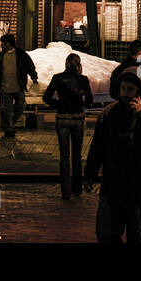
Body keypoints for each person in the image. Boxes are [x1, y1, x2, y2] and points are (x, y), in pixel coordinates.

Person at [84, 73, 141, 243]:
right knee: (107, 234)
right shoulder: (110, 113)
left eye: (130, 89)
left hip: (140, 187)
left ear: (139, 91)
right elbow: (98, 146)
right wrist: (90, 174)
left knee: (138, 236)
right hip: (112, 186)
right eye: (122, 88)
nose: (125, 93)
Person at [43, 52, 94, 199]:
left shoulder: (58, 78)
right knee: (77, 156)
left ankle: (65, 191)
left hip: (62, 117)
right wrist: (82, 102)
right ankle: (77, 189)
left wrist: (59, 105)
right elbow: (90, 99)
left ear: (66, 63)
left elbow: (47, 97)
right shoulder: (83, 80)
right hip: (78, 118)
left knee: (64, 157)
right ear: (79, 64)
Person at [0, 33, 38, 137]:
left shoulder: (20, 54)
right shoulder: (0, 57)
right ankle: (9, 127)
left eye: (3, 43)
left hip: (18, 86)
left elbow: (29, 65)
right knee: (6, 109)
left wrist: (34, 77)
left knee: (21, 105)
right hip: (4, 88)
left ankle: (11, 123)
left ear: (8, 43)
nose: (1, 45)